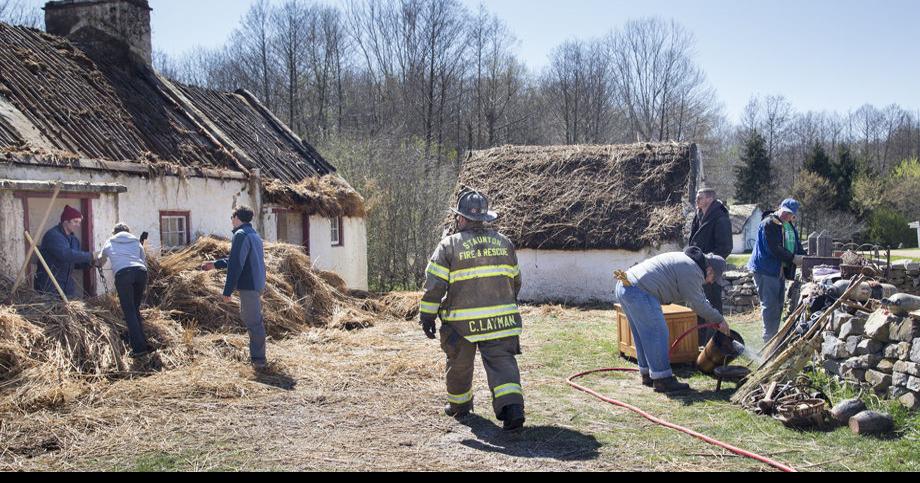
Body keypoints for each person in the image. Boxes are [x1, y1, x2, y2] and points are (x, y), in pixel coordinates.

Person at [419, 190, 526, 431]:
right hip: (501, 321)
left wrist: (427, 315)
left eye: (459, 218)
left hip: (462, 324)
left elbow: (435, 286)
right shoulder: (505, 243)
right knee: (502, 363)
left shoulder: (449, 246)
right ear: (485, 218)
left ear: (463, 219)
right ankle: (512, 408)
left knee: (459, 364)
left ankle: (459, 406)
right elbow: (516, 281)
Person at [614, 247, 731, 393]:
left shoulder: (688, 263)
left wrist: (715, 316)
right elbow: (698, 303)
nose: (710, 282)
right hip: (639, 291)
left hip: (625, 286)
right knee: (658, 333)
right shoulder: (692, 271)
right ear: (710, 270)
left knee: (643, 334)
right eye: (713, 279)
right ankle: (662, 380)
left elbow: (699, 297)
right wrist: (719, 320)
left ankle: (648, 374)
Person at [201, 206, 268, 369]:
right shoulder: (253, 234)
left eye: (232, 217)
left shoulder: (241, 235)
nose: (231, 221)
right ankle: (257, 357)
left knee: (253, 322)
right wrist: (215, 264)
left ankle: (259, 360)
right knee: (251, 319)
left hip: (249, 284)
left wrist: (227, 290)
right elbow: (235, 259)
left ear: (237, 217)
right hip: (256, 282)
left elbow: (237, 264)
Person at [748, 199, 806, 343]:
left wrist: (806, 257)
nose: (787, 216)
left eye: (790, 214)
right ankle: (769, 340)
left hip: (778, 271)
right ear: (780, 208)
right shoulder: (768, 223)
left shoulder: (789, 226)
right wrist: (793, 258)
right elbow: (774, 249)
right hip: (765, 270)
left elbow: (797, 246)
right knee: (770, 305)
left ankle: (774, 338)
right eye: (786, 212)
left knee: (779, 305)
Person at [97, 223, 151, 357]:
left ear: (114, 232)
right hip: (140, 273)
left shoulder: (110, 241)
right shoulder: (135, 241)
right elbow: (143, 261)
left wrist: (94, 262)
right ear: (128, 231)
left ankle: (139, 349)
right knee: (135, 309)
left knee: (129, 311)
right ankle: (143, 341)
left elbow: (101, 260)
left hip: (123, 274)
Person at [688, 188, 733, 345]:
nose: (697, 200)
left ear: (709, 199)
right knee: (698, 306)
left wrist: (708, 263)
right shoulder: (699, 215)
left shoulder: (720, 217)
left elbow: (725, 247)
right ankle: (699, 343)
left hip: (711, 271)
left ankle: (714, 344)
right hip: (696, 269)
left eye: (699, 197)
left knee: (712, 306)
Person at [34, 205, 95, 298]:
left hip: (67, 286)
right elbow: (65, 255)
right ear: (66, 221)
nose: (78, 225)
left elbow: (75, 262)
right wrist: (91, 256)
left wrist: (92, 263)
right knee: (51, 311)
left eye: (79, 222)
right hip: (49, 285)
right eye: (75, 222)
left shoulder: (74, 240)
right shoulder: (53, 236)